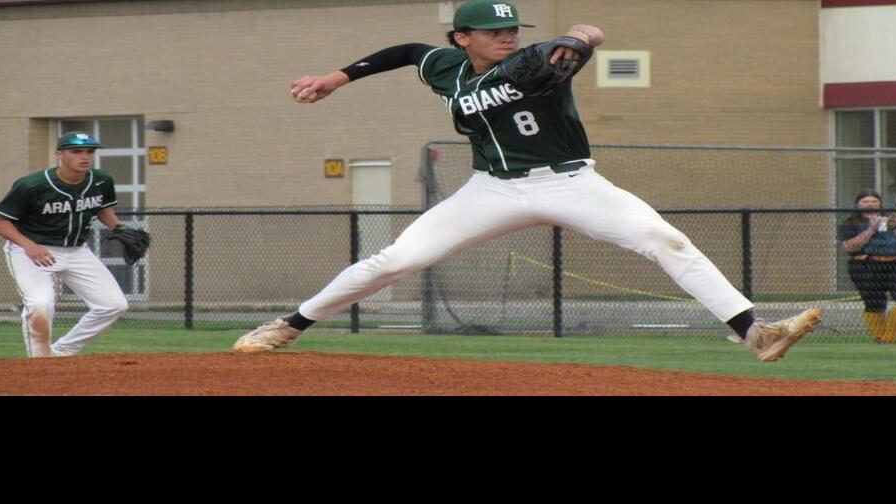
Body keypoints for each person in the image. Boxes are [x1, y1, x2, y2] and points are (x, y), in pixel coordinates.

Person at [232, 0, 821, 361]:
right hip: (492, 188)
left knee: (665, 239)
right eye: (494, 31)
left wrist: (579, 38)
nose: (508, 36)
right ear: (462, 38)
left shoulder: (538, 60)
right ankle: (287, 326)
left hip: (571, 183)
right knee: (395, 261)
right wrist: (335, 78)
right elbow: (405, 51)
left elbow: (588, 30)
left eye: (512, 28)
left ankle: (755, 332)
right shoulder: (443, 65)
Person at [0, 131, 129, 357]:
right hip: (32, 250)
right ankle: (41, 361)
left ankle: (62, 351)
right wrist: (29, 245)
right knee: (40, 304)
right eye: (76, 151)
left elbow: (103, 208)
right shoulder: (32, 185)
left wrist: (119, 228)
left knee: (114, 304)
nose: (84, 157)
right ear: (59, 154)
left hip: (77, 251)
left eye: (89, 152)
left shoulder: (101, 180)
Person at [837, 189, 896, 343]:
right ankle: (879, 338)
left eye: (874, 201)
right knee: (874, 303)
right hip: (865, 265)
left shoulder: (891, 220)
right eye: (865, 202)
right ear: (857, 205)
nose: (870, 205)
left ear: (880, 204)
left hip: (895, 264)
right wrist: (871, 229)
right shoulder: (850, 223)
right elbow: (849, 246)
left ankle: (890, 336)